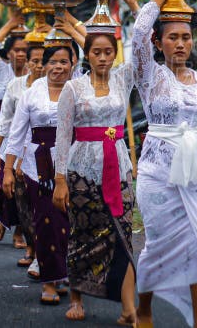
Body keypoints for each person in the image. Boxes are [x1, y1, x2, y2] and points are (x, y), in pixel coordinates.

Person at [131, 0, 197, 328]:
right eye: (173, 37)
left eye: (186, 37)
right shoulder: (149, 75)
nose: (180, 44)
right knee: (156, 245)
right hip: (157, 176)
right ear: (160, 42)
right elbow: (137, 35)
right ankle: (145, 309)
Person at [53, 31, 136, 325]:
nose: (103, 58)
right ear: (86, 55)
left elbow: (141, 47)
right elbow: (62, 135)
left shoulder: (123, 80)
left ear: (115, 55)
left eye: (108, 52)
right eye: (97, 52)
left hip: (119, 165)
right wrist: (60, 180)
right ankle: (76, 297)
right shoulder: (73, 88)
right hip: (81, 171)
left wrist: (135, 3)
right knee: (82, 233)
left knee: (123, 232)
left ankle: (128, 308)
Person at [5, 42, 74, 305]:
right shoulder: (31, 94)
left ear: (73, 65)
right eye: (53, 62)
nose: (58, 67)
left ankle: (63, 272)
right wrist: (9, 169)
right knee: (45, 223)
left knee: (67, 223)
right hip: (38, 165)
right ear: (44, 65)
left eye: (64, 62)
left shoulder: (78, 91)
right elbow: (17, 133)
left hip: (71, 162)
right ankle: (49, 281)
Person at [0, 43, 45, 262]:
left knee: (35, 199)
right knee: (12, 192)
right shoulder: (16, 86)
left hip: (39, 149)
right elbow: (4, 120)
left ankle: (27, 241)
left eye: (44, 61)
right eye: (35, 61)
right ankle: (19, 234)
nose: (40, 66)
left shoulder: (55, 89)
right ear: (27, 63)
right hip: (14, 145)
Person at [0, 14, 29, 246]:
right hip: (6, 134)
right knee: (6, 182)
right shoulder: (2, 72)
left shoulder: (42, 77)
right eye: (17, 50)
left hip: (30, 137)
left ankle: (19, 232)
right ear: (9, 52)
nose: (21, 54)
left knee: (26, 185)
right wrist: (11, 23)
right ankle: (3, 219)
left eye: (26, 50)